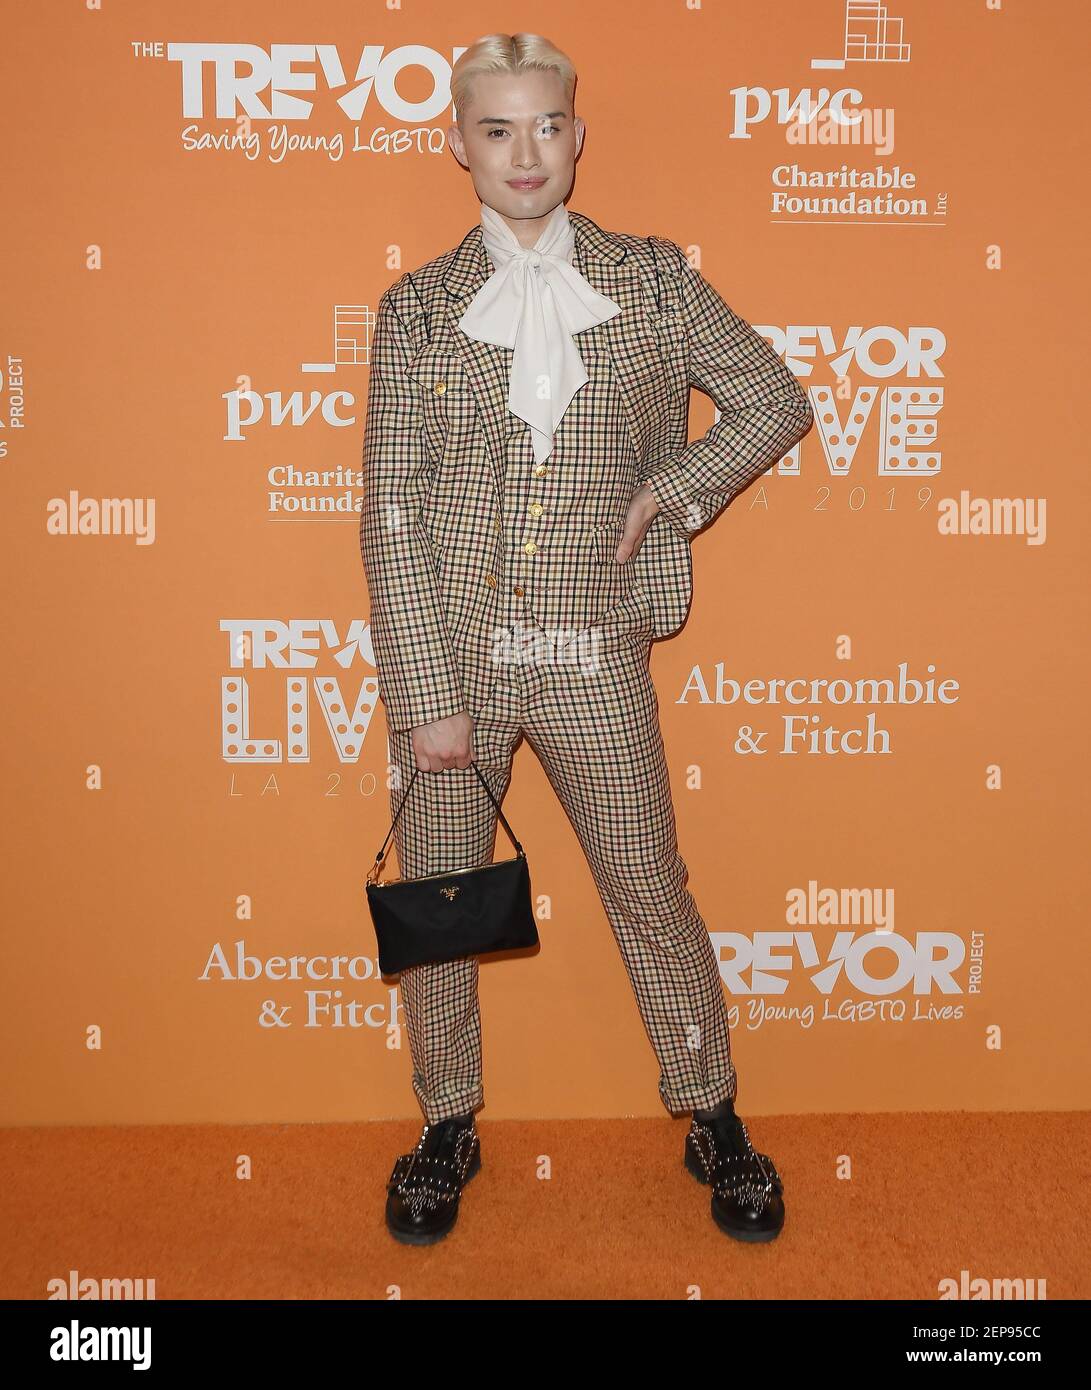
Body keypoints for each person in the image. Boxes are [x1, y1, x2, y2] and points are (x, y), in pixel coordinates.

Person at [359, 32, 814, 1248]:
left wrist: (671, 487)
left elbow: (774, 397)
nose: (523, 151)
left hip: (594, 652)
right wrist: (423, 691)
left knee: (645, 888)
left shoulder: (653, 281)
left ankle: (709, 1111)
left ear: (577, 134)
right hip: (452, 660)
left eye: (544, 124)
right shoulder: (413, 310)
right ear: (455, 143)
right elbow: (391, 512)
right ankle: (446, 1121)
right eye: (495, 128)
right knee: (445, 898)